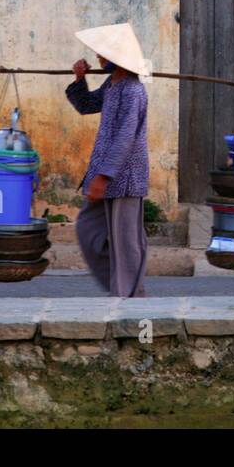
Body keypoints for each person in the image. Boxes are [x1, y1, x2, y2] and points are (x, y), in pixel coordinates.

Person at [66, 22, 151, 298]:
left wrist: (104, 176)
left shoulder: (133, 91)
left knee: (127, 240)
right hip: (102, 173)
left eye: (103, 54)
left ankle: (129, 294)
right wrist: (80, 80)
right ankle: (121, 286)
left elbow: (126, 138)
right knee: (88, 229)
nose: (99, 58)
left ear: (117, 58)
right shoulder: (112, 85)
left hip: (124, 177)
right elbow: (86, 105)